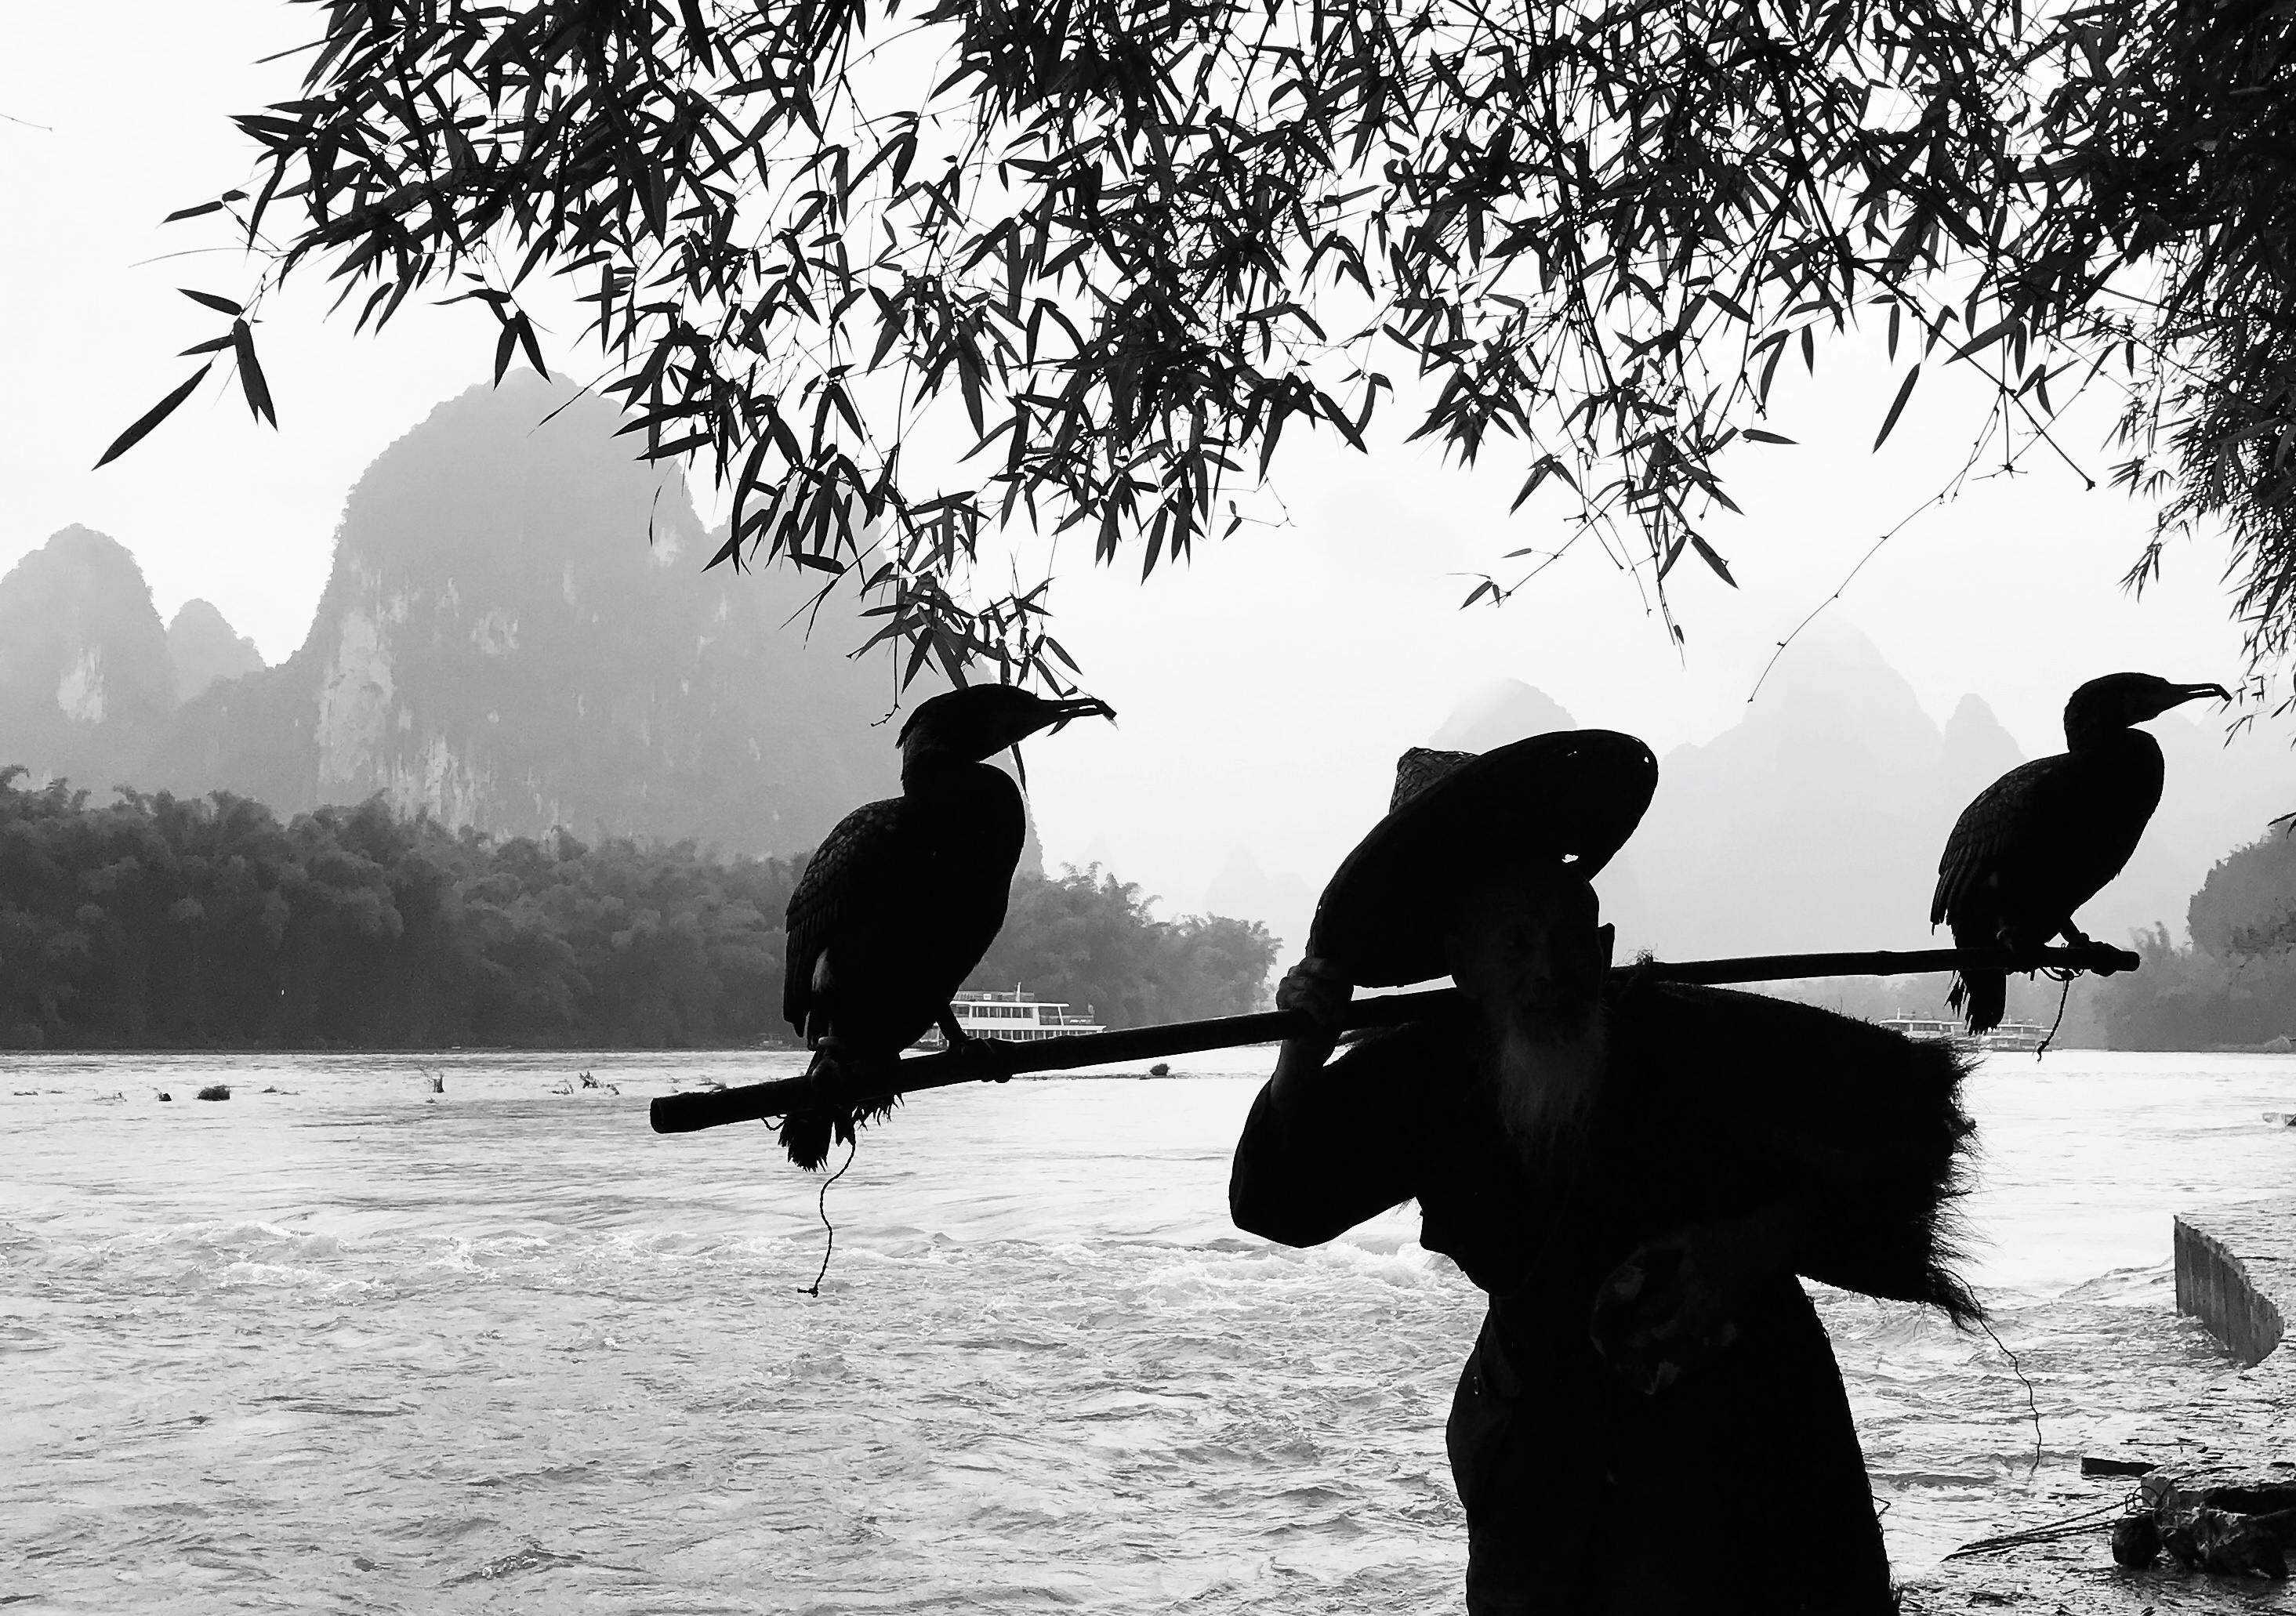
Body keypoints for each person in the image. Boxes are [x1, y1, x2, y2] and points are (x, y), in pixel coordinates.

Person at [1230, 732, 1979, 1615]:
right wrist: (1298, 1056)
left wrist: (1742, 1247)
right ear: (1462, 965)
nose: (1546, 973)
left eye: (1563, 938)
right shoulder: (1421, 1078)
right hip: (1545, 1453)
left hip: (1747, 1428)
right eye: (1513, 945)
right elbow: (1272, 1201)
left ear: (1604, 943)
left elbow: (1910, 1120)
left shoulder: (1684, 1036)